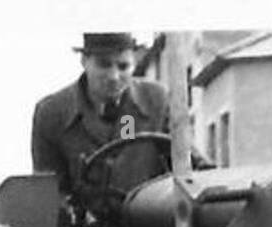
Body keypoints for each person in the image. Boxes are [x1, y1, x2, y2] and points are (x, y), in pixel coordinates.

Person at [31, 33, 169, 215]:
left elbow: (188, 163)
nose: (114, 76)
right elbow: (48, 191)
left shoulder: (156, 102)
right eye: (104, 64)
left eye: (123, 66)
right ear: (84, 61)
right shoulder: (52, 113)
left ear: (134, 63)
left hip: (150, 226)